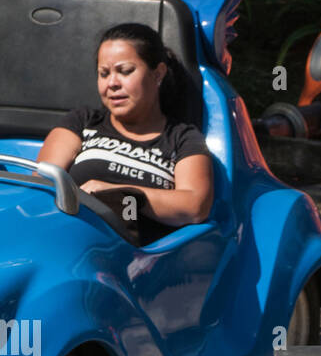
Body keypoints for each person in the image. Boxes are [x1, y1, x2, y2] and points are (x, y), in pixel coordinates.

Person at [38, 22, 213, 231]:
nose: (112, 83)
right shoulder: (82, 121)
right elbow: (42, 185)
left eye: (125, 71)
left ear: (158, 74)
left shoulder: (183, 138)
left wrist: (120, 194)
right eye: (104, 73)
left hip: (132, 255)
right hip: (68, 232)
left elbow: (195, 206)